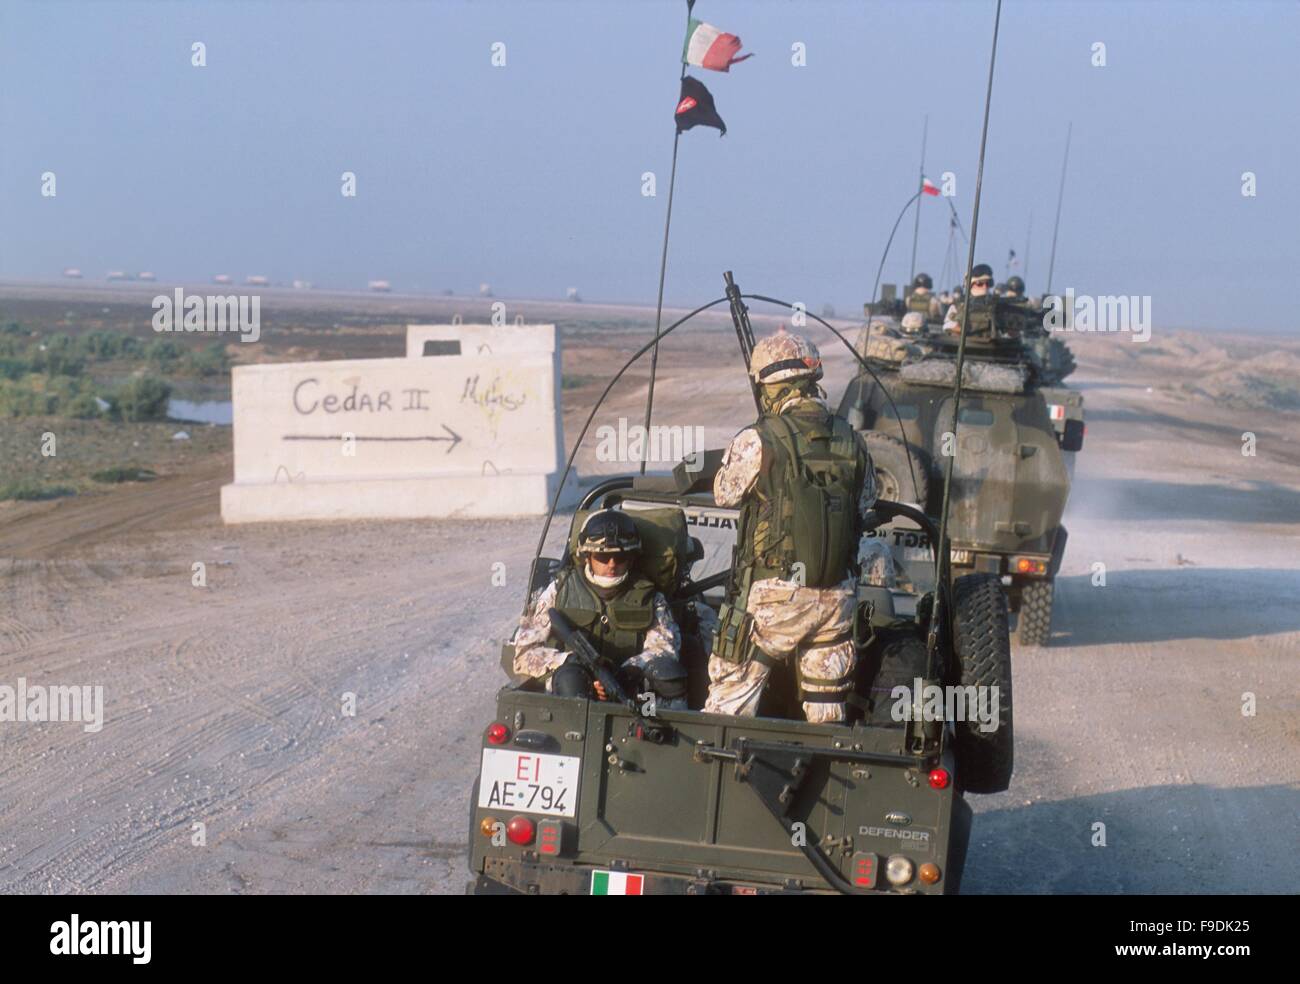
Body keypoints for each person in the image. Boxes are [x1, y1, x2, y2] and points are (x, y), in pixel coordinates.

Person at [703, 327, 883, 724]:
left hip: (775, 599)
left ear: (767, 386)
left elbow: (725, 494)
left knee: (728, 701)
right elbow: (866, 500)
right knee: (826, 714)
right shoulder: (852, 440)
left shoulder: (759, 438)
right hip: (837, 599)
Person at [512, 509, 688, 708]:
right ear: (587, 556)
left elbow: (665, 649)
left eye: (620, 557)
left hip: (633, 687)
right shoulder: (559, 590)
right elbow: (525, 653)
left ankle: (653, 734)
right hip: (574, 687)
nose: (612, 564)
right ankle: (574, 735)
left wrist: (628, 672)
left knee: (668, 675)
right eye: (603, 558)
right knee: (571, 679)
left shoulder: (650, 596)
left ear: (631, 558)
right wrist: (569, 660)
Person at [943, 263, 997, 337]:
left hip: (991, 345)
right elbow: (948, 326)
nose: (985, 287)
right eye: (979, 283)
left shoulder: (996, 304)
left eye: (988, 283)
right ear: (970, 284)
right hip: (966, 344)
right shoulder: (959, 304)